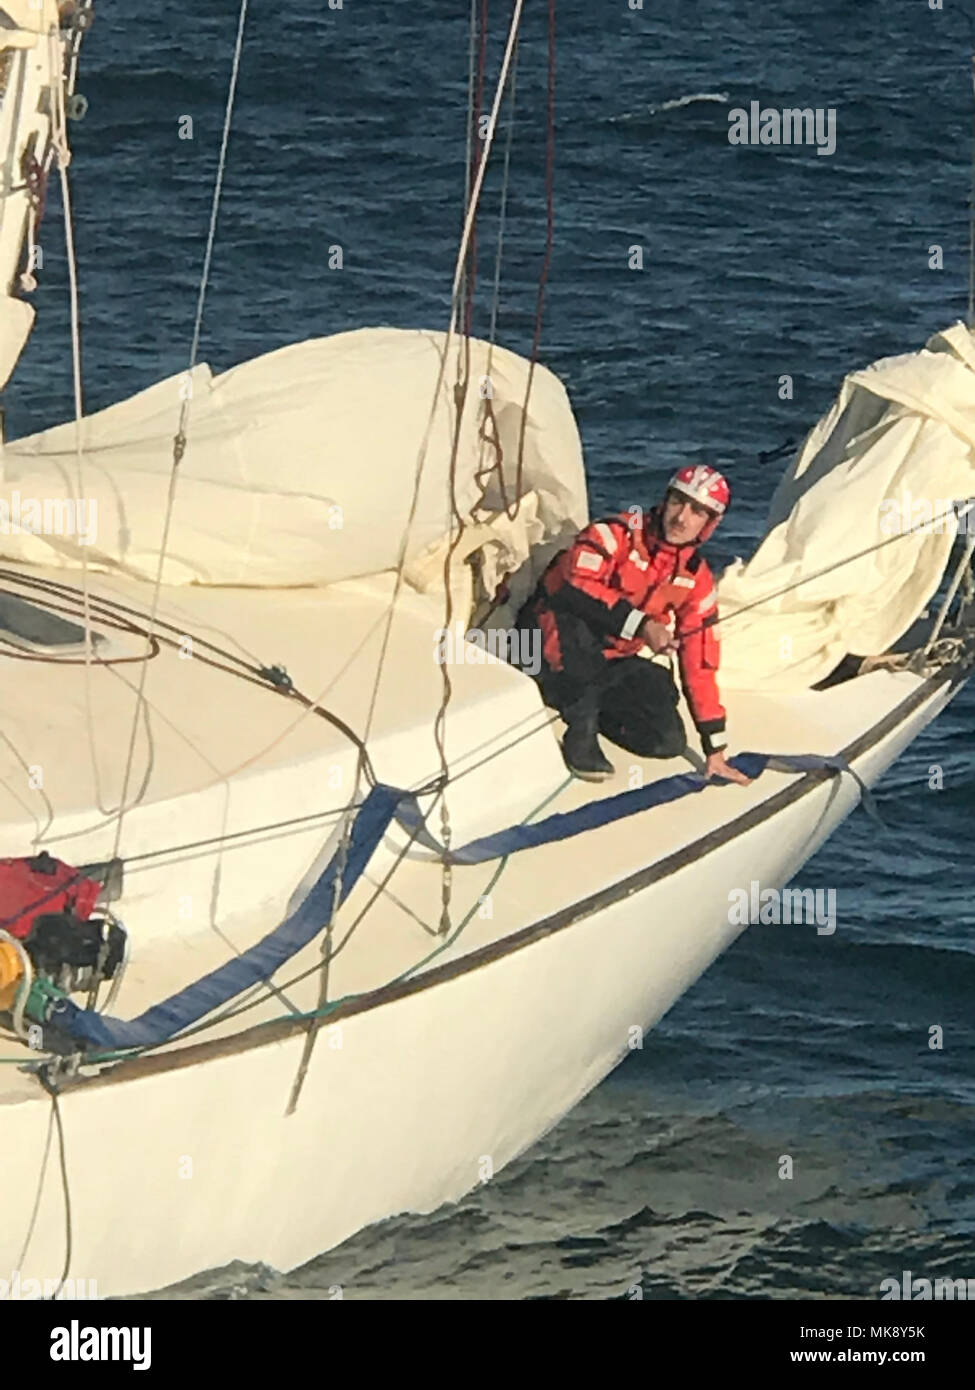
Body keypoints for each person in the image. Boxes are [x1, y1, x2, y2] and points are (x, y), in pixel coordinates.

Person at [517, 464, 752, 785]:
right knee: (575, 620)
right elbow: (576, 585)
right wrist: (642, 626)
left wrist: (715, 748)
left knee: (665, 740)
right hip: (544, 639)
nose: (682, 517)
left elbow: (701, 660)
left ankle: (581, 697)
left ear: (710, 525)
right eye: (677, 502)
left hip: (610, 657)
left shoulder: (696, 581)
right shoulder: (614, 533)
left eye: (697, 511)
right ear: (664, 500)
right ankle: (580, 726)